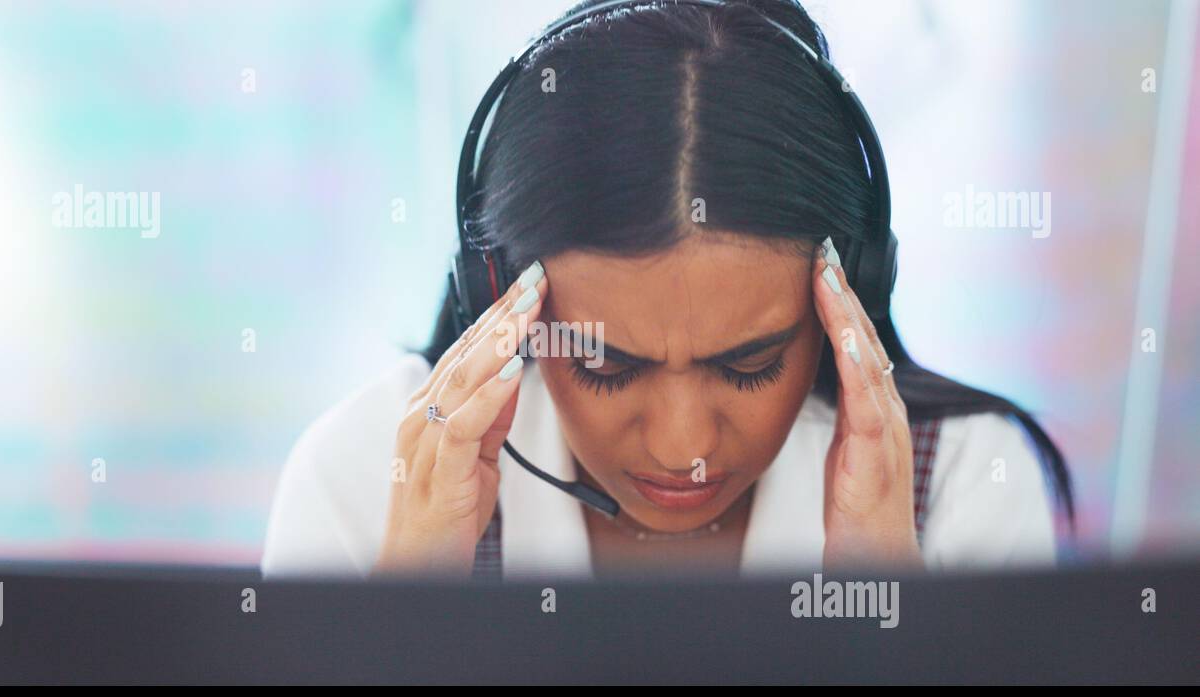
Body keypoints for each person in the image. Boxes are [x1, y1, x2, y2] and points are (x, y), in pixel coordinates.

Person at [262, 0, 1073, 581]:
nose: (684, 443)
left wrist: (882, 603)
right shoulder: (362, 481)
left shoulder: (963, 484)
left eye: (749, 363)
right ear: (500, 298)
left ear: (846, 298)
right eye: (607, 366)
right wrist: (407, 623)